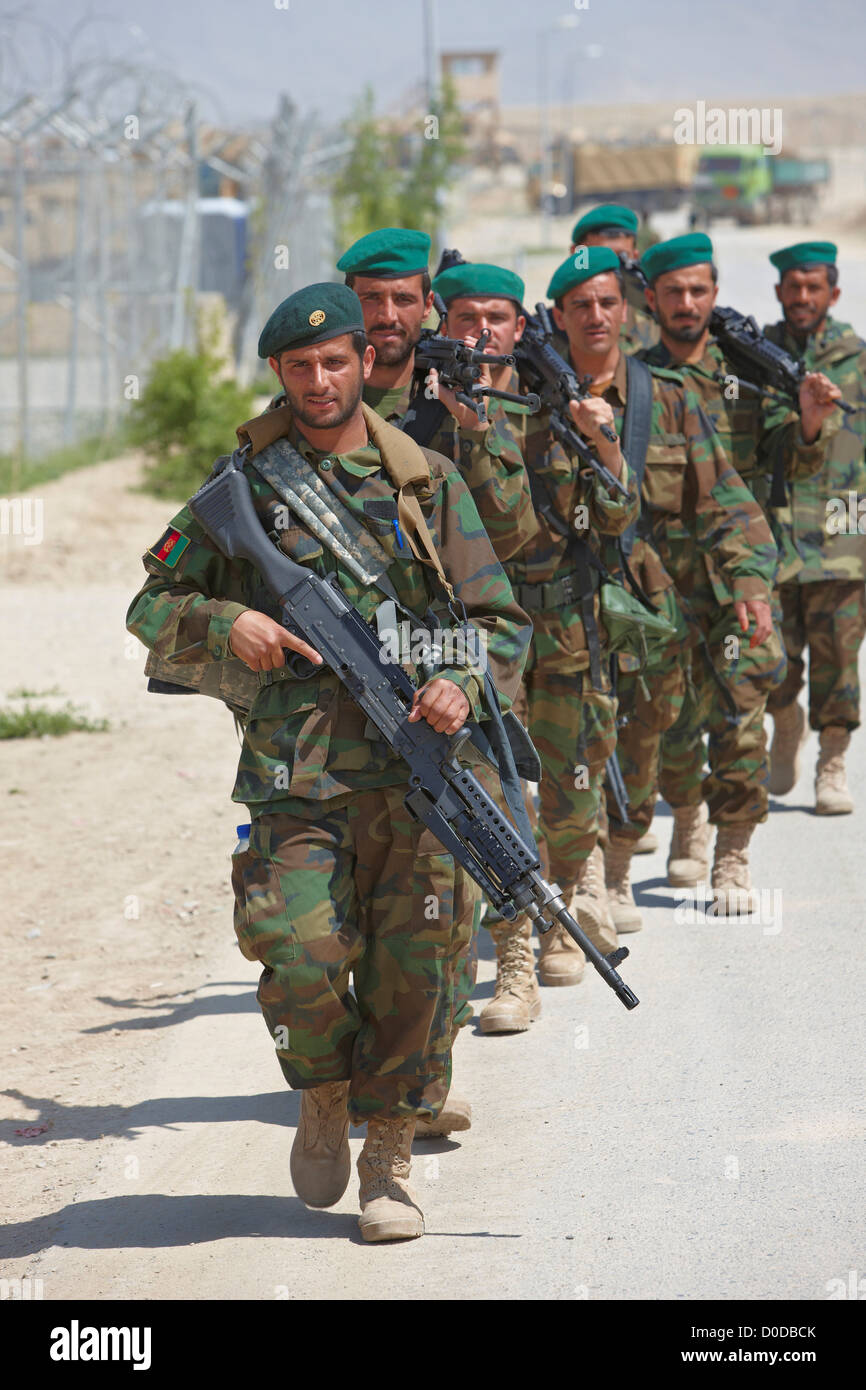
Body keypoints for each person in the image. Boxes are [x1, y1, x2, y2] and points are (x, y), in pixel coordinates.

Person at [127, 283, 531, 1243]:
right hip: (296, 775)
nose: (318, 380)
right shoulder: (247, 489)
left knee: (420, 971)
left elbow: (501, 623)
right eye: (299, 367)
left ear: (364, 361)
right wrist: (234, 623)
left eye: (335, 361)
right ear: (278, 373)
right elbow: (151, 605)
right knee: (298, 952)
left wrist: (460, 686)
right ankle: (322, 1093)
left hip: (421, 780)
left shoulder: (426, 483)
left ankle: (388, 1155)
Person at [442, 248, 641, 1029]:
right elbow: (501, 533)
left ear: (520, 326)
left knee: (567, 782)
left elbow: (619, 519)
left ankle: (567, 905)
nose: (482, 332)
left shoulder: (553, 403)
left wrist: (608, 446)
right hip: (473, 633)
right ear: (444, 326)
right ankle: (514, 955)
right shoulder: (423, 418)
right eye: (467, 319)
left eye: (496, 319)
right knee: (493, 793)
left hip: (561, 625)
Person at [639, 234, 841, 896]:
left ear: (715, 295)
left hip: (742, 579)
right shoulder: (634, 381)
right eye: (674, 291)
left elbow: (794, 461)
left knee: (739, 714)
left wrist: (809, 424)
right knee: (671, 720)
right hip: (662, 582)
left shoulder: (749, 371)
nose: (687, 302)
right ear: (653, 300)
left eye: (699, 290)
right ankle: (687, 815)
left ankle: (732, 848)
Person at [336, 227, 537, 564]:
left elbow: (506, 538)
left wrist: (475, 431)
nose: (387, 316)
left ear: (427, 305)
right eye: (371, 298)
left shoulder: (456, 398)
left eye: (403, 299)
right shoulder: (321, 396)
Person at [762, 242, 866, 814]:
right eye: (793, 287)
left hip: (842, 541)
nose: (802, 297)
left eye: (813, 287)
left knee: (838, 660)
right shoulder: (757, 357)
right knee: (772, 658)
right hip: (774, 536)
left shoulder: (858, 359)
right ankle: (784, 718)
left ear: (833, 293)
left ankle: (831, 762)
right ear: (779, 292)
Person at [570, 203, 660, 355]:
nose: (611, 268)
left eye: (621, 257)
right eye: (599, 256)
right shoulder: (552, 326)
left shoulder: (652, 315)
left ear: (634, 257)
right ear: (577, 255)